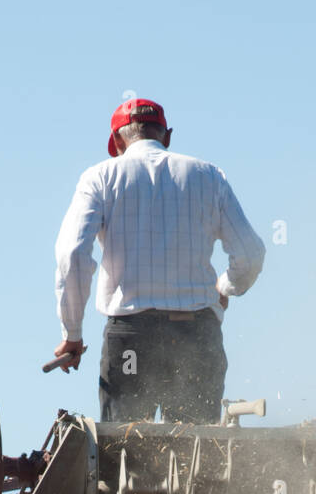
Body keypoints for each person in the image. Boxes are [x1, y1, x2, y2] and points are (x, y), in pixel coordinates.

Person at [53, 98, 265, 423]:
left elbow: (73, 256)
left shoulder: (100, 178)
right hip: (196, 336)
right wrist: (225, 287)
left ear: (119, 142)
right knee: (195, 457)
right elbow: (251, 253)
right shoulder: (209, 176)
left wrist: (73, 332)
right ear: (166, 136)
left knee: (125, 454)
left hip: (131, 340)